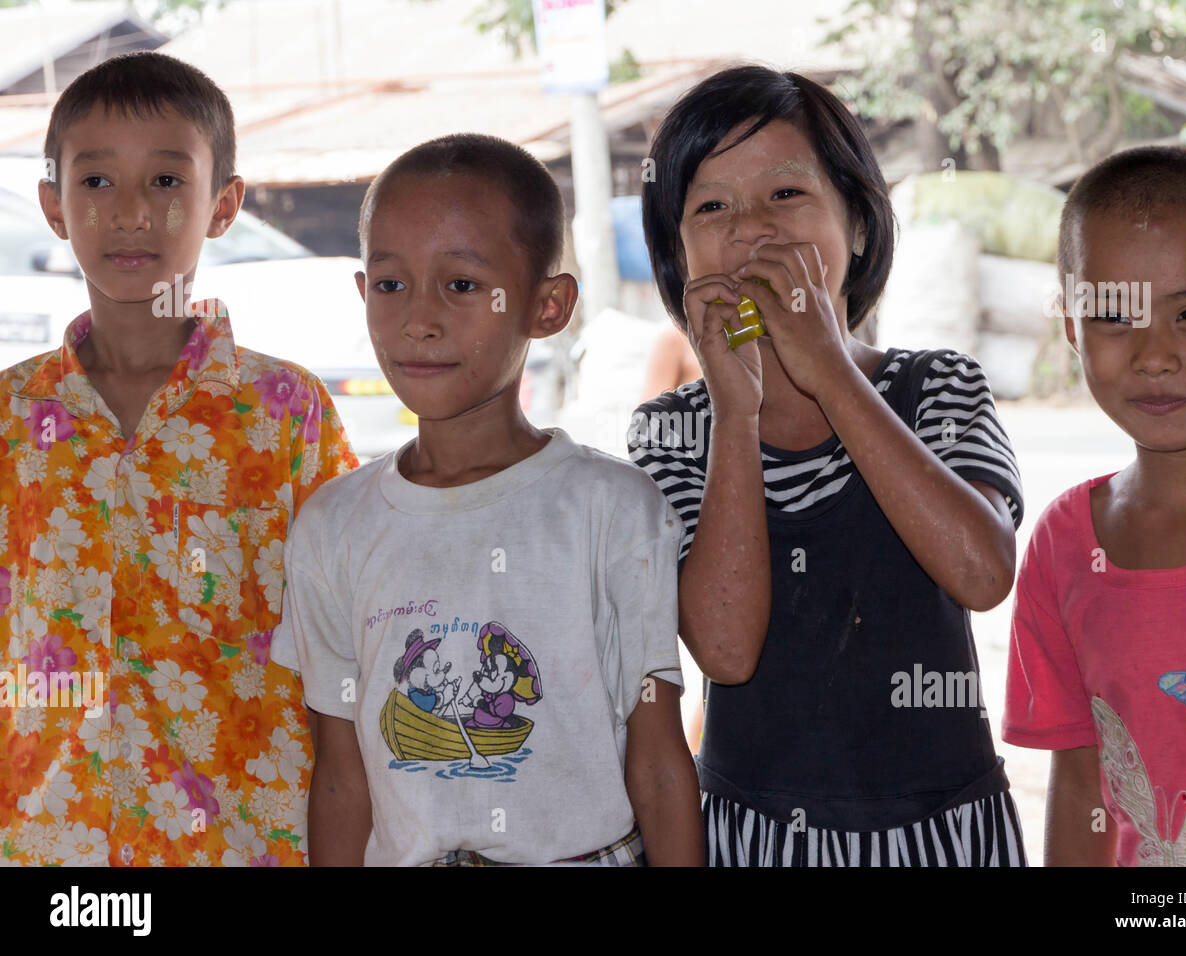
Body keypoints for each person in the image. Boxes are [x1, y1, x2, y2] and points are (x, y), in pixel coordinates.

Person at [629, 65, 1026, 866]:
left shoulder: (937, 385)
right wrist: (734, 412)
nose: (751, 229)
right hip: (758, 835)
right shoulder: (671, 433)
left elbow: (982, 573)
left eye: (786, 195)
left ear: (861, 225)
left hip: (943, 831)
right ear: (679, 259)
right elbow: (726, 650)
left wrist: (832, 372)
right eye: (711, 207)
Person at [270, 134, 704, 866]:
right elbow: (342, 780)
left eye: (463, 286)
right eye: (390, 284)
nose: (419, 319)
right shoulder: (333, 527)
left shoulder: (613, 510)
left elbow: (661, 765)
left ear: (548, 305)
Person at [0, 51, 358, 866]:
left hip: (243, 844)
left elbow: (343, 644)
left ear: (222, 204)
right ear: (53, 207)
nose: (131, 213)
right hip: (50, 851)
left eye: (167, 182)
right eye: (96, 183)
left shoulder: (284, 412)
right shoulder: (11, 417)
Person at [1004, 145, 1186, 866]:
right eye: (1114, 317)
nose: (1153, 354)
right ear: (1074, 331)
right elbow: (1079, 789)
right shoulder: (1065, 544)